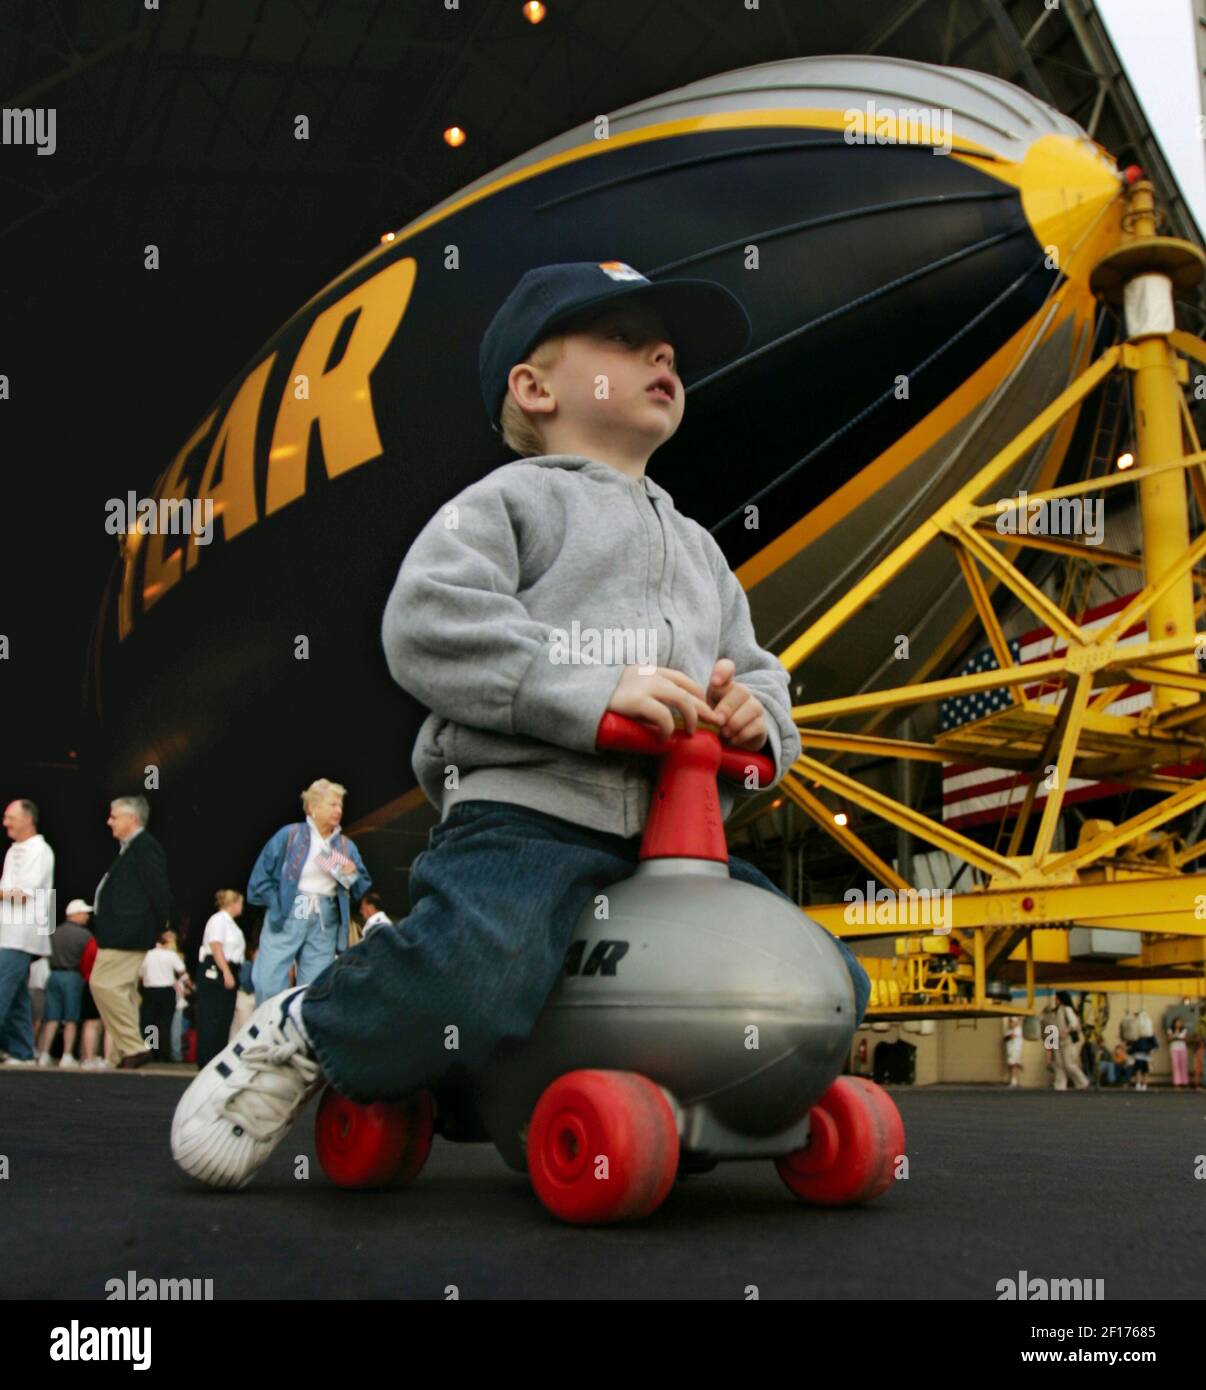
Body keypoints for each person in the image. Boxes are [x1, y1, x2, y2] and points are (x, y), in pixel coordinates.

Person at [171, 258, 867, 1189]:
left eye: (667, 349)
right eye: (622, 338)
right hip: (529, 816)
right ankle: (311, 1026)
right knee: (482, 965)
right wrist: (590, 689)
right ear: (534, 388)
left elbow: (757, 667)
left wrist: (757, 721)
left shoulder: (701, 551)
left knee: (815, 975)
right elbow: (427, 623)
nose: (660, 355)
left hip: (670, 847)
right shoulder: (508, 504)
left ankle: (706, 1092)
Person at [246, 780, 372, 1005]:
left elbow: (361, 888)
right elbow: (259, 881)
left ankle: (302, 1034)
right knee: (268, 982)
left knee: (315, 986)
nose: (339, 810)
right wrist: (278, 906)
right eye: (332, 804)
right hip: (294, 908)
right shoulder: (289, 835)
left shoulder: (344, 846)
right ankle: (271, 1029)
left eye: (341, 805)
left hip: (325, 917)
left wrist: (352, 875)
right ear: (313, 807)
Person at [90, 795, 173, 1070]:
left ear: (132, 819)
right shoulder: (132, 849)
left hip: (127, 933)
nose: (108, 821)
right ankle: (121, 1053)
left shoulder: (144, 847)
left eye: (114, 816)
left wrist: (161, 926)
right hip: (124, 931)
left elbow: (159, 889)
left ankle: (134, 1047)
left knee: (104, 985)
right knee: (124, 993)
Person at [0, 798, 55, 1067]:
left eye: (10, 817)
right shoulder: (14, 852)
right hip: (6, 934)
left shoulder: (40, 851)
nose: (5, 822)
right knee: (17, 995)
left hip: (21, 935)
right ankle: (22, 1051)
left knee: (3, 989)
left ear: (28, 819)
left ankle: (21, 1050)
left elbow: (22, 895)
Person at [37, 899, 94, 1067]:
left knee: (51, 1018)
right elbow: (89, 959)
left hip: (53, 975)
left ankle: (44, 1054)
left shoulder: (54, 933)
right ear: (75, 914)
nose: (87, 917)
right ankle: (67, 1055)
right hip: (73, 977)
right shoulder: (86, 936)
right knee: (71, 1018)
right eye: (84, 913)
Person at [195, 891, 247, 1068]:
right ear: (233, 903)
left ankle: (217, 1057)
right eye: (240, 903)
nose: (242, 907)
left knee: (224, 1015)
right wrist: (226, 971)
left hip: (230, 967)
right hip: (217, 968)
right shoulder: (218, 920)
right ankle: (207, 1059)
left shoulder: (231, 924)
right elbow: (215, 945)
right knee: (212, 1015)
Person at [140, 929, 186, 1062]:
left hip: (149, 991)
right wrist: (190, 986)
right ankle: (164, 1053)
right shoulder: (171, 955)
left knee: (150, 1023)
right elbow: (182, 972)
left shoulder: (146, 955)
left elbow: (140, 975)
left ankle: (151, 1051)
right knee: (165, 1023)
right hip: (167, 991)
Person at [1040, 991, 1090, 1091]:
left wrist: (1066, 1031)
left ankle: (1083, 1082)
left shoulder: (1066, 1009)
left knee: (1069, 1064)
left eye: (1056, 998)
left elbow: (1074, 1023)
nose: (1055, 1000)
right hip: (1056, 1041)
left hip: (1067, 1042)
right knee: (1058, 1065)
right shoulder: (1053, 1012)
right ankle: (1060, 1086)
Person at [1167, 1015, 1189, 1088]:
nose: (1178, 1024)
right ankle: (1176, 1082)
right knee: (1175, 1065)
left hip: (1182, 1048)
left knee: (1183, 1065)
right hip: (1174, 1048)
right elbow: (1169, 1039)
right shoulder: (1170, 1030)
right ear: (1174, 1023)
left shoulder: (1184, 1030)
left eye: (1179, 1023)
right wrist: (1175, 1036)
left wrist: (1179, 1038)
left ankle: (1184, 1081)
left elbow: (1186, 1039)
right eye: (1176, 1023)